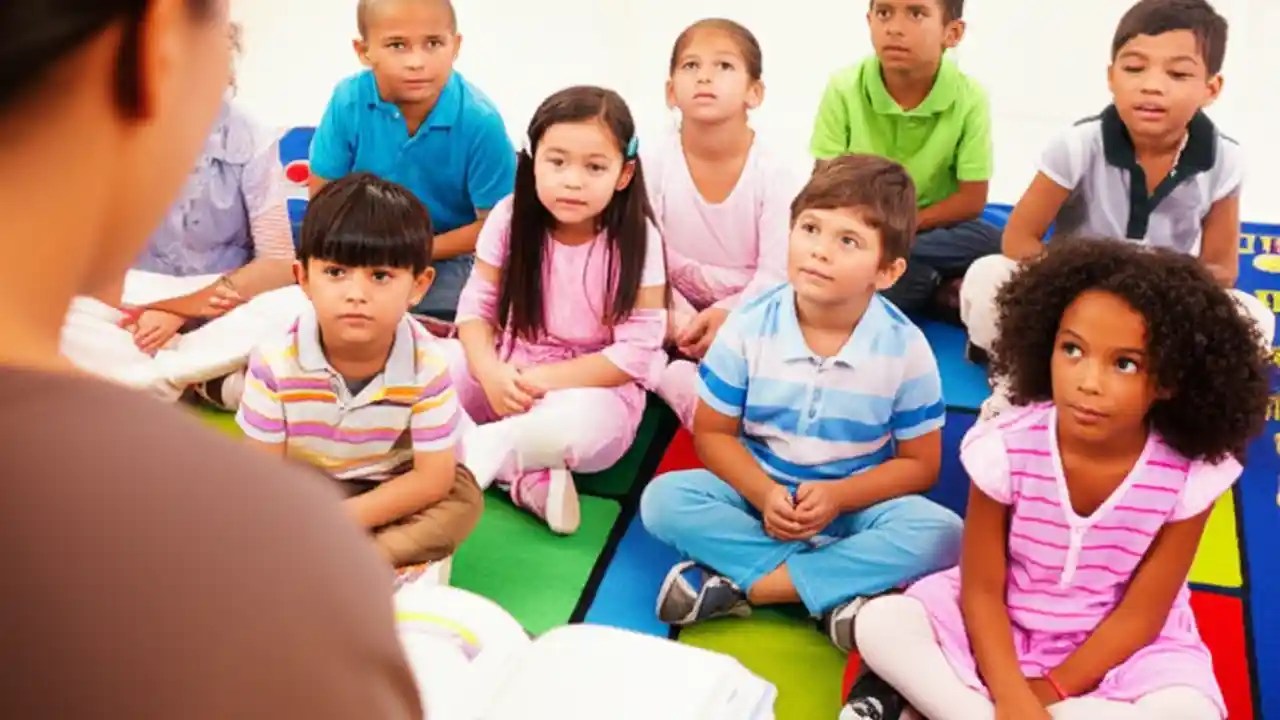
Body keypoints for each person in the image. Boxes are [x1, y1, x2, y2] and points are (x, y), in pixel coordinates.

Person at [0, 1, 421, 717]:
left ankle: (178, 379)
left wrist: (188, 308)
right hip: (135, 312)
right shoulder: (266, 544)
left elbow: (276, 267)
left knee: (291, 304)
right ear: (157, 46)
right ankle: (184, 383)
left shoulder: (250, 142)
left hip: (205, 307)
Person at [846, 239, 1268, 720]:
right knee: (883, 623)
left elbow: (1142, 615)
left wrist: (1049, 690)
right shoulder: (1004, 448)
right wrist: (1010, 693)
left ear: (1169, 380)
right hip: (998, 630)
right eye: (1072, 350)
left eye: (1124, 363)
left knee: (1191, 712)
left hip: (1123, 654)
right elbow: (982, 588)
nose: (1088, 380)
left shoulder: (1189, 473)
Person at [640, 155, 963, 654]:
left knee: (945, 534)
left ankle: (757, 587)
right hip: (758, 495)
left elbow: (921, 466)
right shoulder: (747, 326)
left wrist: (839, 497)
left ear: (889, 270)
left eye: (848, 241)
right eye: (810, 228)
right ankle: (833, 587)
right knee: (663, 500)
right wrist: (764, 492)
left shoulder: (906, 348)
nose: (820, 252)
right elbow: (713, 434)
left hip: (856, 506)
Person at [961, 0, 1274, 377]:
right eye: (1134, 68)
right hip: (1073, 294)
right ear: (1111, 77)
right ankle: (1017, 377)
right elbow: (1018, 239)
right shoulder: (1077, 145)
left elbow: (1222, 267)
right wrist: (1085, 283)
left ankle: (1157, 389)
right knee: (987, 277)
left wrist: (1164, 288)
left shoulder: (1225, 160)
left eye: (1177, 74)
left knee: (1253, 320)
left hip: (1159, 302)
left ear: (1211, 88)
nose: (1152, 86)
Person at [447, 86, 667, 535]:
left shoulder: (639, 238)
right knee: (429, 369)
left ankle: (462, 453)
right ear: (531, 161)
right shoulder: (509, 217)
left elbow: (635, 354)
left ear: (623, 174)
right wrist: (489, 370)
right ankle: (523, 477)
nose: (572, 180)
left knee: (580, 425)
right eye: (557, 161)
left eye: (594, 167)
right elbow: (475, 308)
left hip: (588, 387)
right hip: (506, 370)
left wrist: (541, 382)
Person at [238, 173, 481, 572]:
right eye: (336, 273)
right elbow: (260, 476)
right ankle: (364, 556)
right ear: (303, 278)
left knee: (462, 498)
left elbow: (431, 480)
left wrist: (338, 523)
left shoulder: (428, 365)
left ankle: (363, 558)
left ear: (419, 286)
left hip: (390, 484)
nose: (356, 294)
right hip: (309, 486)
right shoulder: (274, 361)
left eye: (380, 276)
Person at [309, 0, 517, 321]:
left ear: (456, 45)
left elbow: (497, 224)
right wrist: (362, 254)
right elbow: (324, 197)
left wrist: (409, 252)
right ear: (364, 51)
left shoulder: (480, 120)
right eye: (397, 45)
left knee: (455, 315)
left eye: (433, 44)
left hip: (443, 252)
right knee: (309, 299)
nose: (417, 62)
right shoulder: (347, 100)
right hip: (361, 243)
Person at [646, 18, 805, 430]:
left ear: (755, 93)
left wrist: (726, 315)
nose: (705, 76)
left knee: (796, 320)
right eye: (691, 66)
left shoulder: (775, 172)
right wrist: (678, 317)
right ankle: (678, 384)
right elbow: (641, 255)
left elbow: (776, 273)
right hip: (668, 299)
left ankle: (734, 393)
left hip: (751, 301)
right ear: (670, 92)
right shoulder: (656, 163)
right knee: (615, 300)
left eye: (724, 66)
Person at [810, 0, 1000, 319]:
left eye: (916, 13)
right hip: (862, 226)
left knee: (996, 241)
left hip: (930, 225)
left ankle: (905, 274)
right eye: (884, 13)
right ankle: (931, 287)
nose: (895, 28)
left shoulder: (970, 97)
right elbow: (824, 188)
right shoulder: (843, 88)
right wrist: (870, 230)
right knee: (859, 261)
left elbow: (971, 200)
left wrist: (903, 230)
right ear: (869, 20)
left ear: (952, 33)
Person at [125, 21, 296, 356]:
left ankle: (191, 375)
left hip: (226, 298)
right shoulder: (112, 132)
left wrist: (181, 309)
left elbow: (278, 262)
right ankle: (209, 380)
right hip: (135, 300)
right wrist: (158, 307)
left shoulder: (253, 136)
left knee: (296, 308)